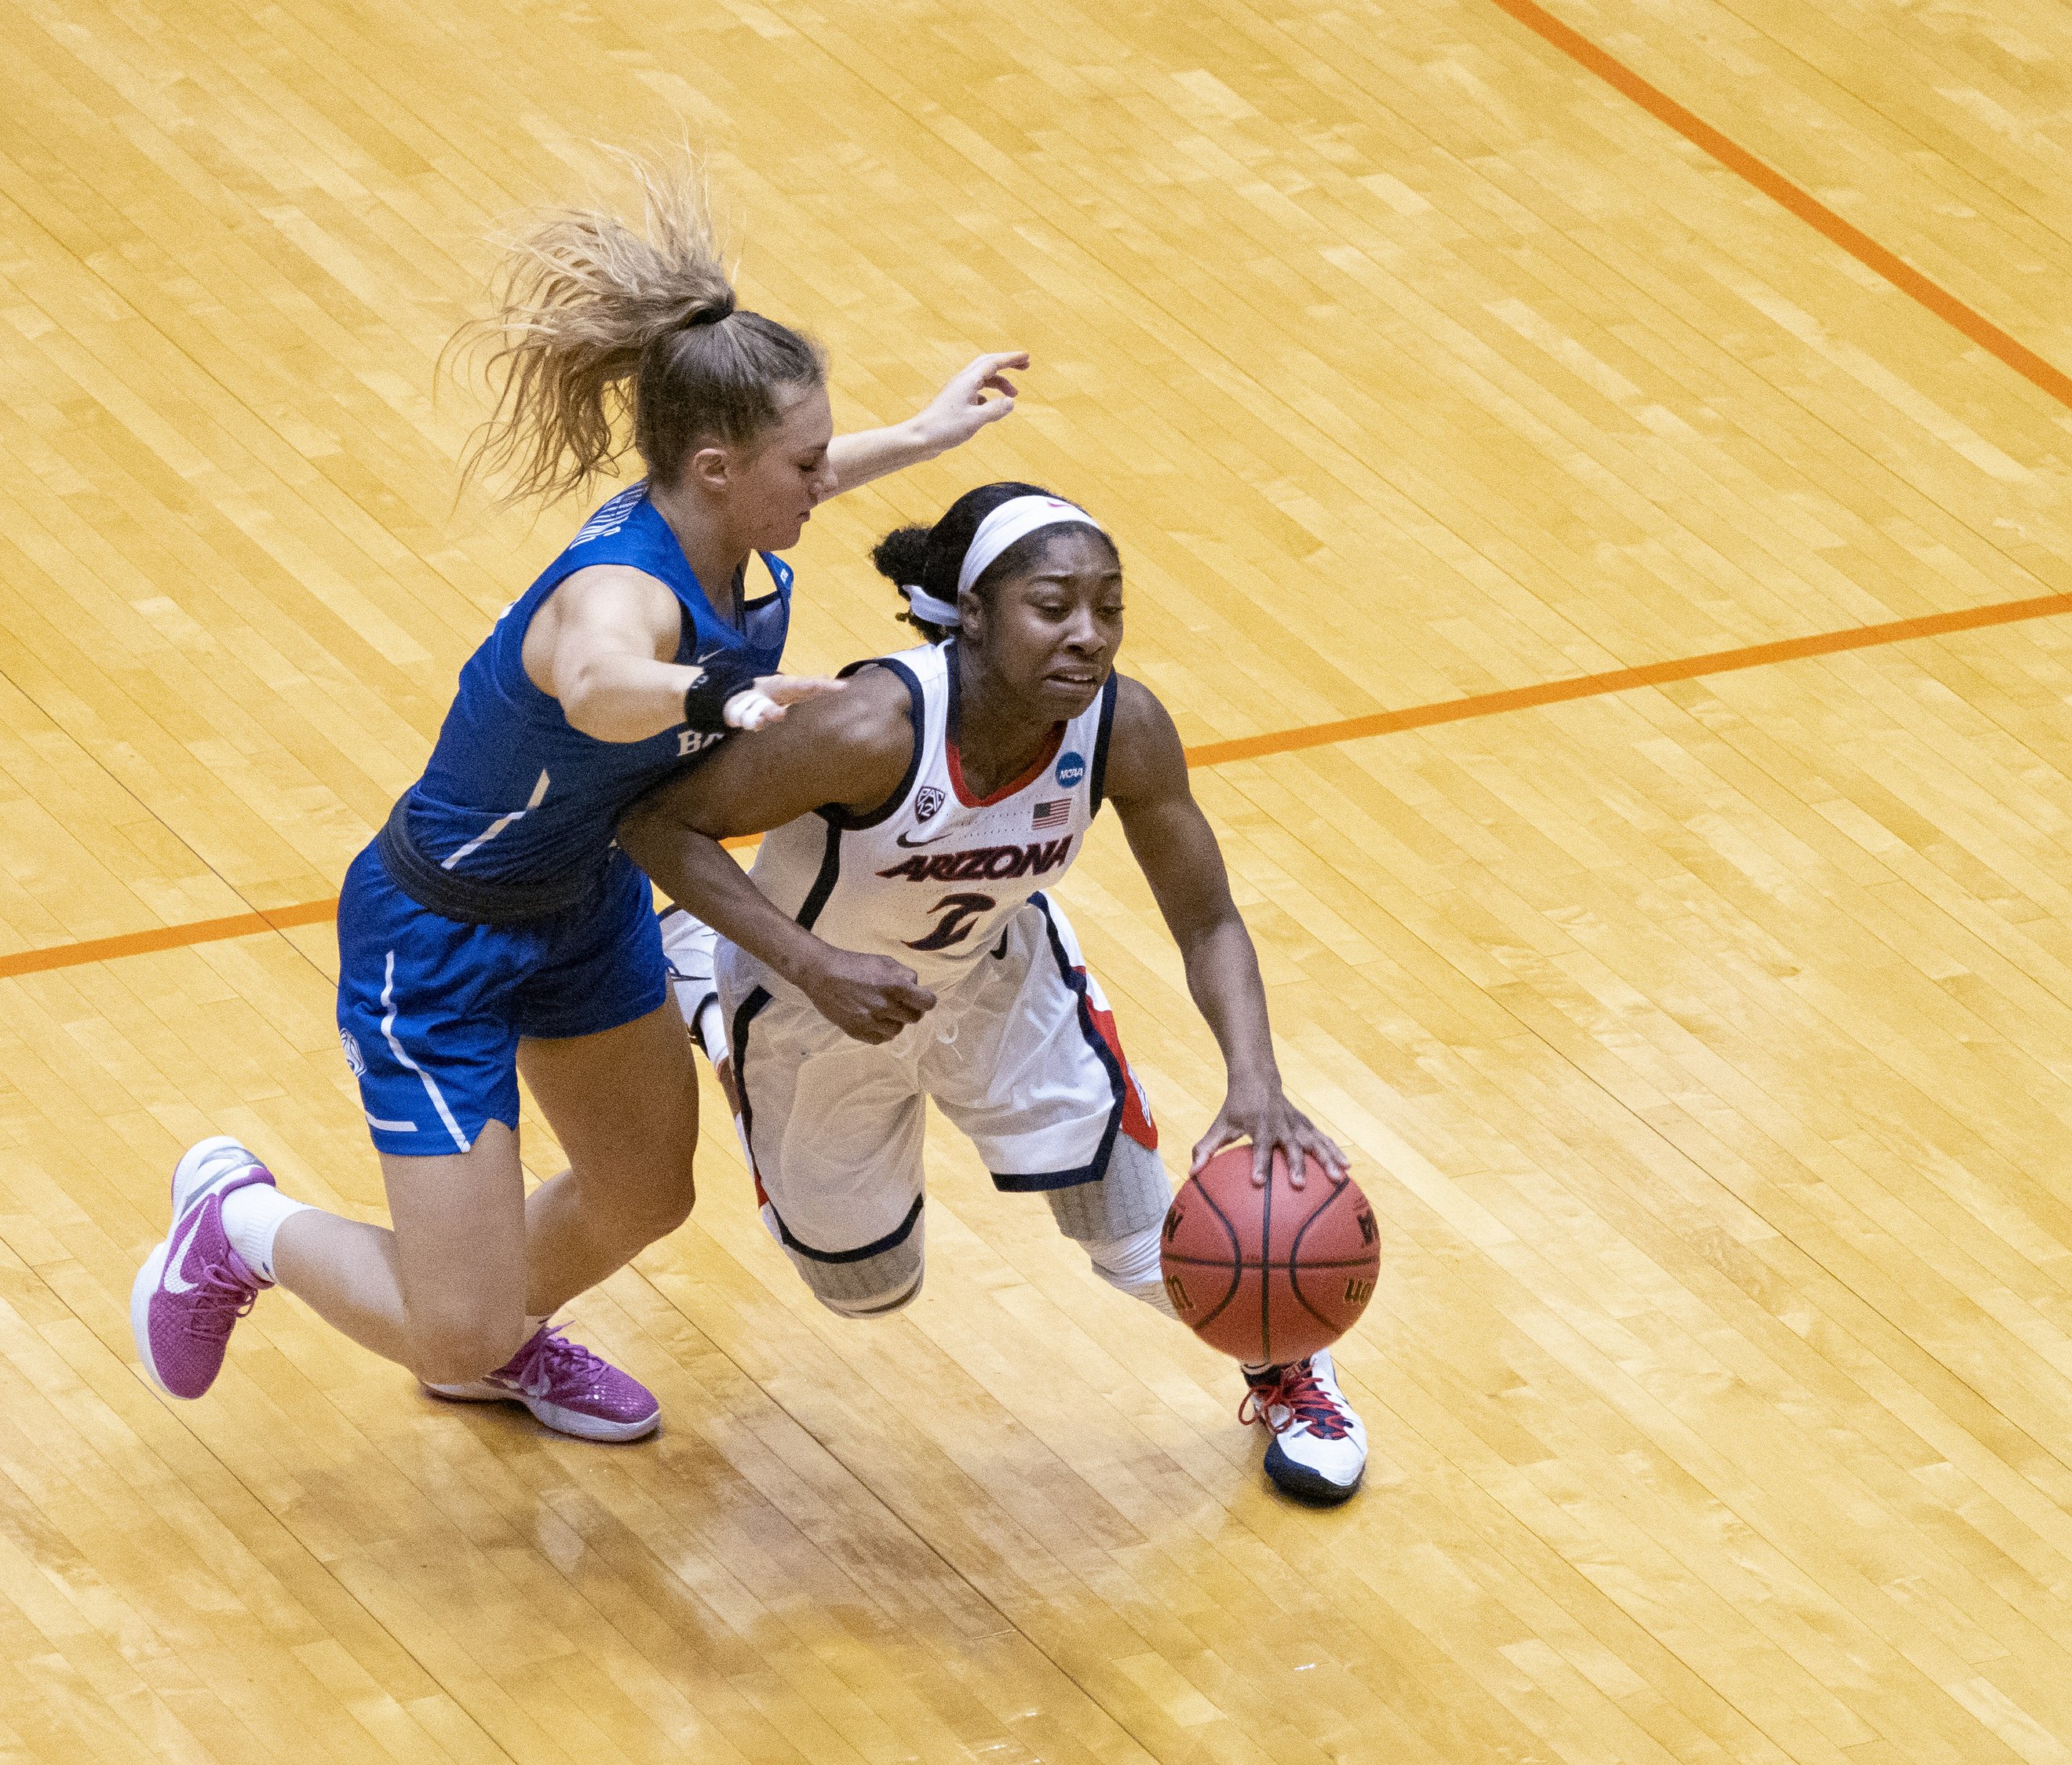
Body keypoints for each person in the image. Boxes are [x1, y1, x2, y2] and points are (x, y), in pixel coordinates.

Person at [130, 163, 1030, 1442]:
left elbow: (798, 493)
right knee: (450, 1315)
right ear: (718, 469)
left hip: (582, 906)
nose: (824, 482)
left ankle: (486, 1337)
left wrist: (929, 436)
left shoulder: (727, 520)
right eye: (809, 461)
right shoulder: (618, 594)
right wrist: (721, 696)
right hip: (437, 933)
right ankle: (240, 1226)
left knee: (644, 1191)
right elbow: (606, 687)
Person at [619, 483, 1370, 1503]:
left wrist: (1255, 1076)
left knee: (1143, 1226)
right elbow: (659, 825)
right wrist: (813, 967)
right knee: (867, 1286)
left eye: (1109, 607)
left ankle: (1284, 1360)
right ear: (974, 613)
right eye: (1054, 606)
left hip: (992, 977)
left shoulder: (1122, 725)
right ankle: (709, 985)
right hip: (815, 994)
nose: (1089, 634)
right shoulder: (870, 727)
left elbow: (1208, 920)